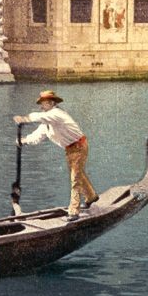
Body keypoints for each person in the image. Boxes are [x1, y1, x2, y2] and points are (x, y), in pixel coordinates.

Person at [14, 90, 98, 221]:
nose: (41, 107)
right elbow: (37, 136)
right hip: (70, 149)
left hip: (79, 146)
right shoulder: (47, 122)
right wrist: (23, 141)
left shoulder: (57, 114)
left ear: (51, 103)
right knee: (78, 174)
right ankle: (91, 196)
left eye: (43, 104)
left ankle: (74, 211)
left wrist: (24, 119)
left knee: (75, 178)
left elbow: (39, 117)